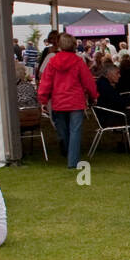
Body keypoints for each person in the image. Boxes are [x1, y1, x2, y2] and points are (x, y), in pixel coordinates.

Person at [37, 31, 98, 168]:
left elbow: (46, 82)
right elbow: (88, 81)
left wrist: (43, 99)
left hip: (59, 101)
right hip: (75, 101)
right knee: (75, 131)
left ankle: (68, 152)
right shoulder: (78, 61)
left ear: (59, 45)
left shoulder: (52, 61)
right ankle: (72, 161)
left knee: (63, 131)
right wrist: (94, 96)